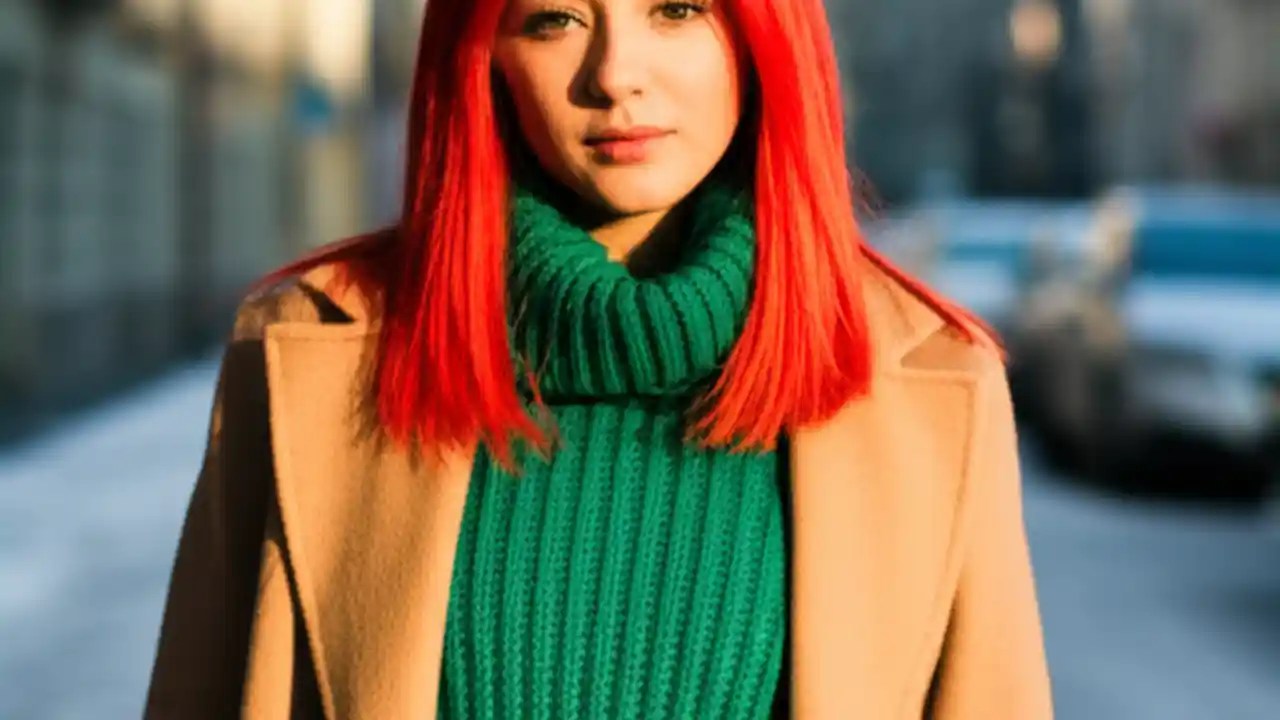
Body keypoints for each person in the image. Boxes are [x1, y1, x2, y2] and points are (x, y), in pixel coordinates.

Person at [143, 0, 1053, 717]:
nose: (617, 76)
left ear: (764, 33)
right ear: (484, 55)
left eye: (679, 9)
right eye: (555, 19)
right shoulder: (316, 350)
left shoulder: (934, 381)